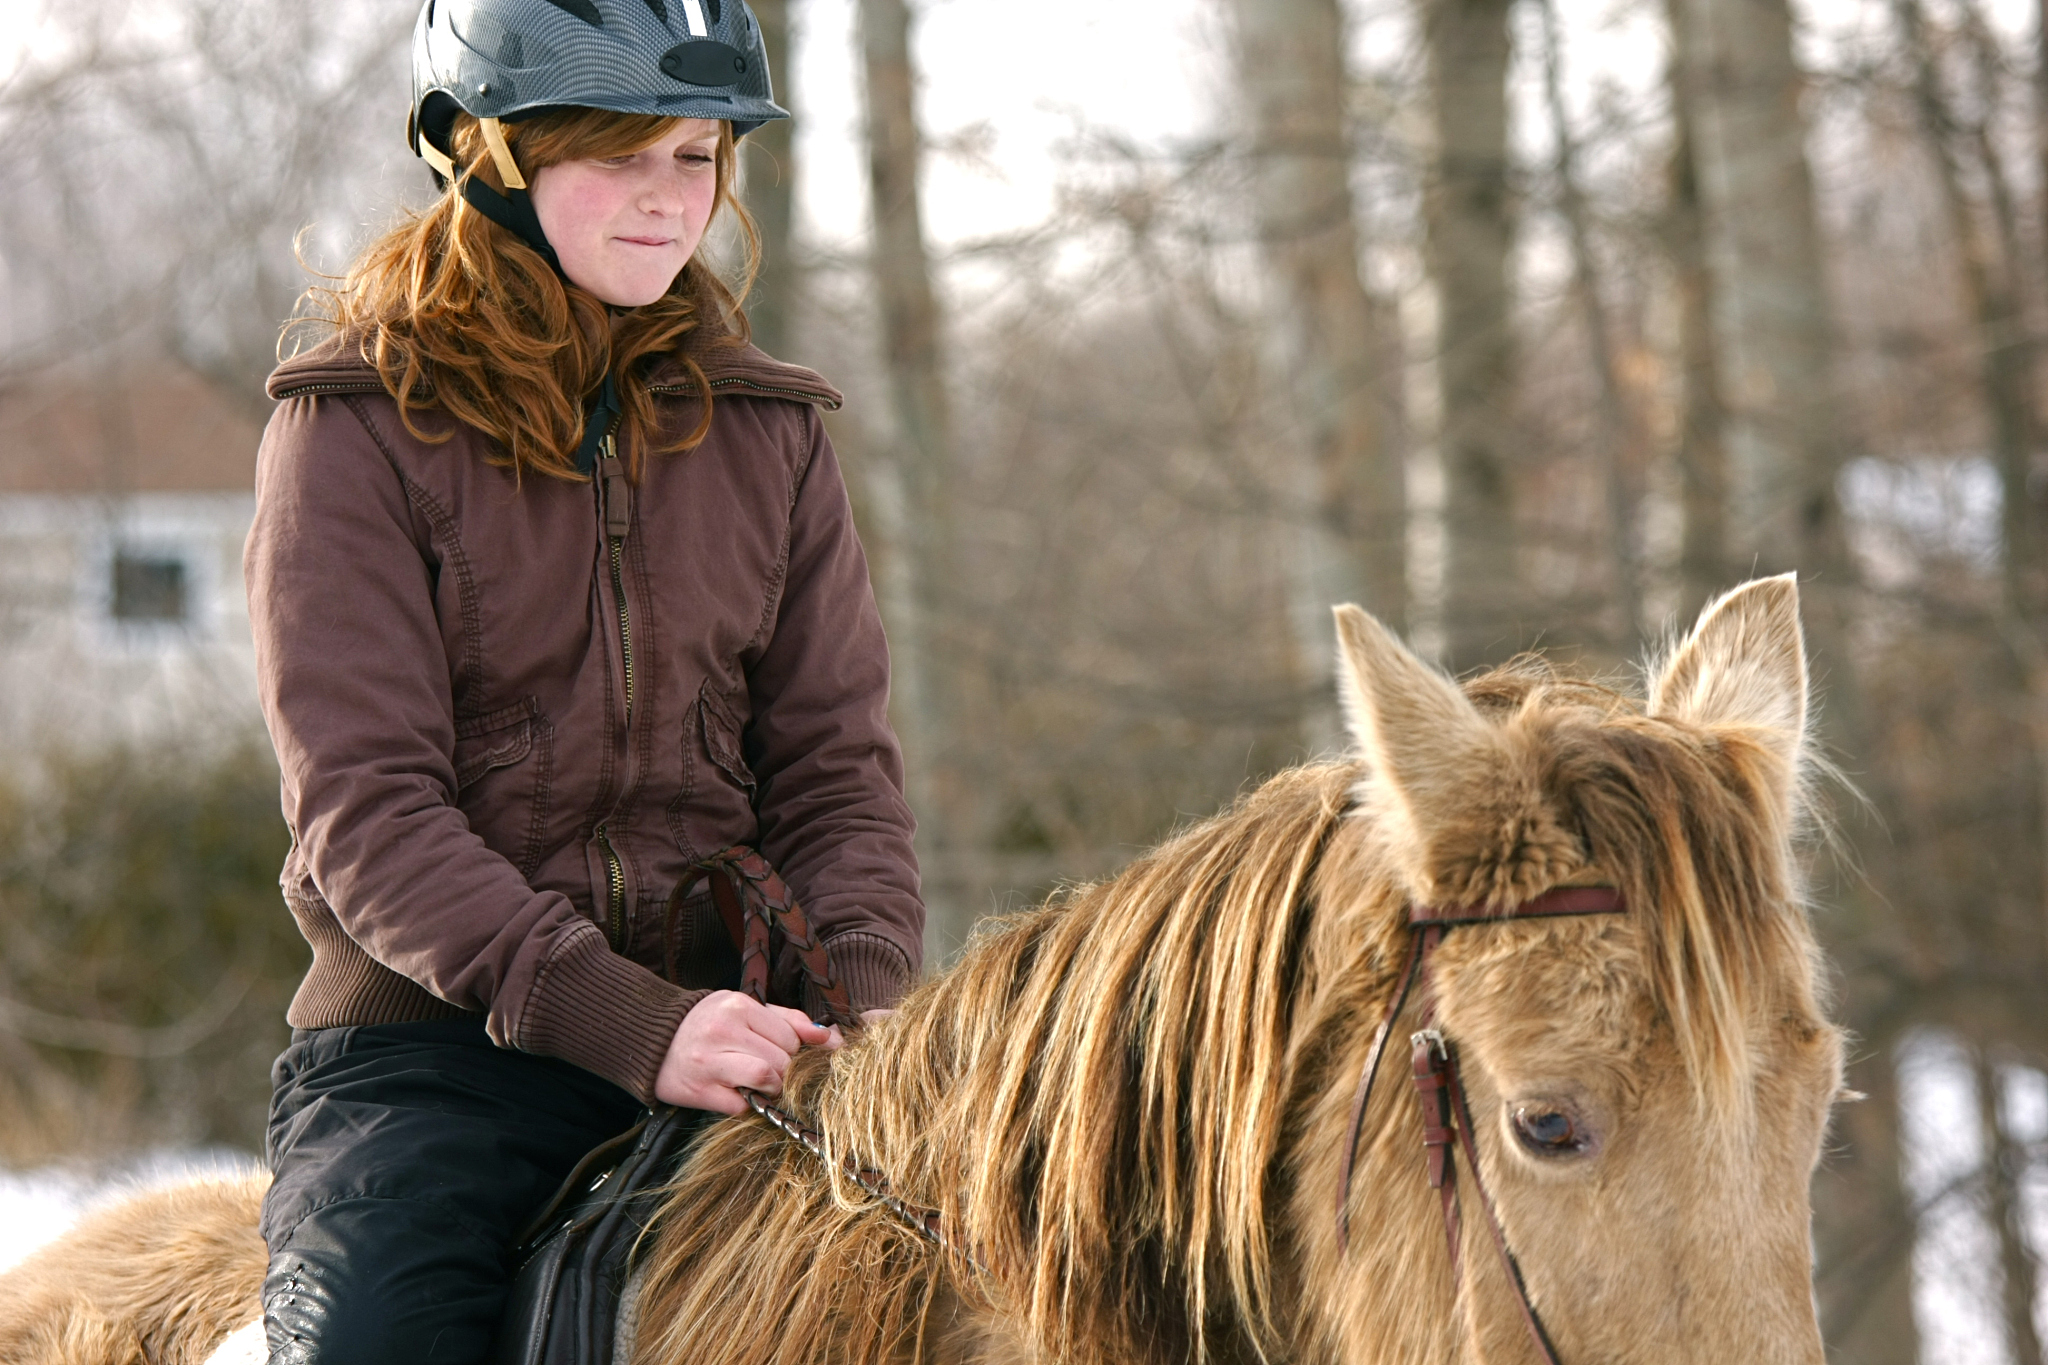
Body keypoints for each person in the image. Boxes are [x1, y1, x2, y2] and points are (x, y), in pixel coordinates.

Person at [243, 1, 923, 1359]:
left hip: (754, 1046)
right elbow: (368, 813)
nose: (672, 202)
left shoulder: (770, 432)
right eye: (622, 156)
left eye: (695, 157)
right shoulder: (352, 430)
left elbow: (837, 776)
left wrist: (858, 1003)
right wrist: (631, 1020)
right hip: (436, 1068)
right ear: (490, 156)